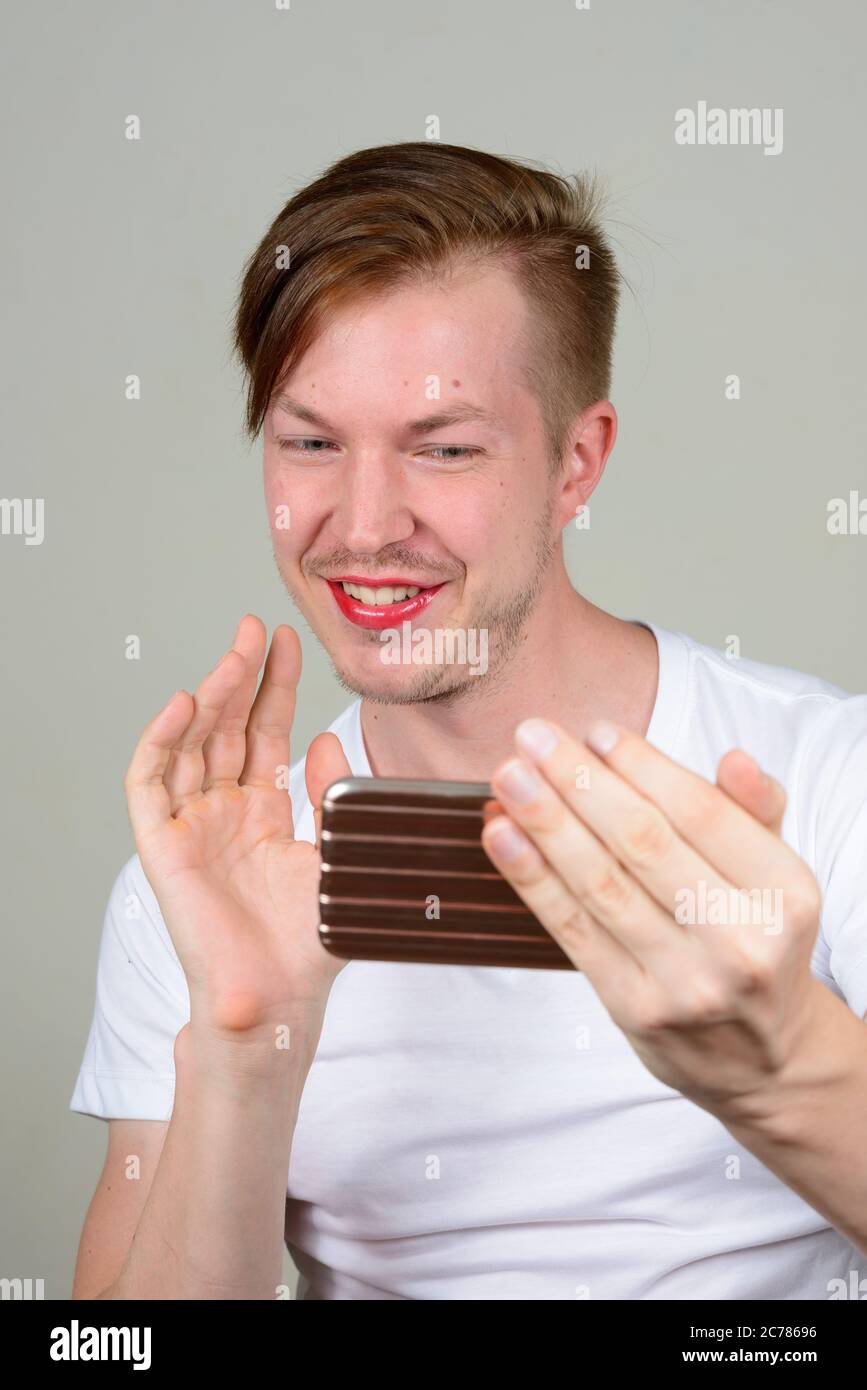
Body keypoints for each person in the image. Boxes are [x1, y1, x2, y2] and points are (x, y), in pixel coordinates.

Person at [69, 142, 867, 1301]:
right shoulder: (208, 881)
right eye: (310, 442)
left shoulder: (834, 781)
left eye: (443, 448)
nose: (365, 526)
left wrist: (781, 1060)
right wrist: (245, 1040)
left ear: (576, 463)